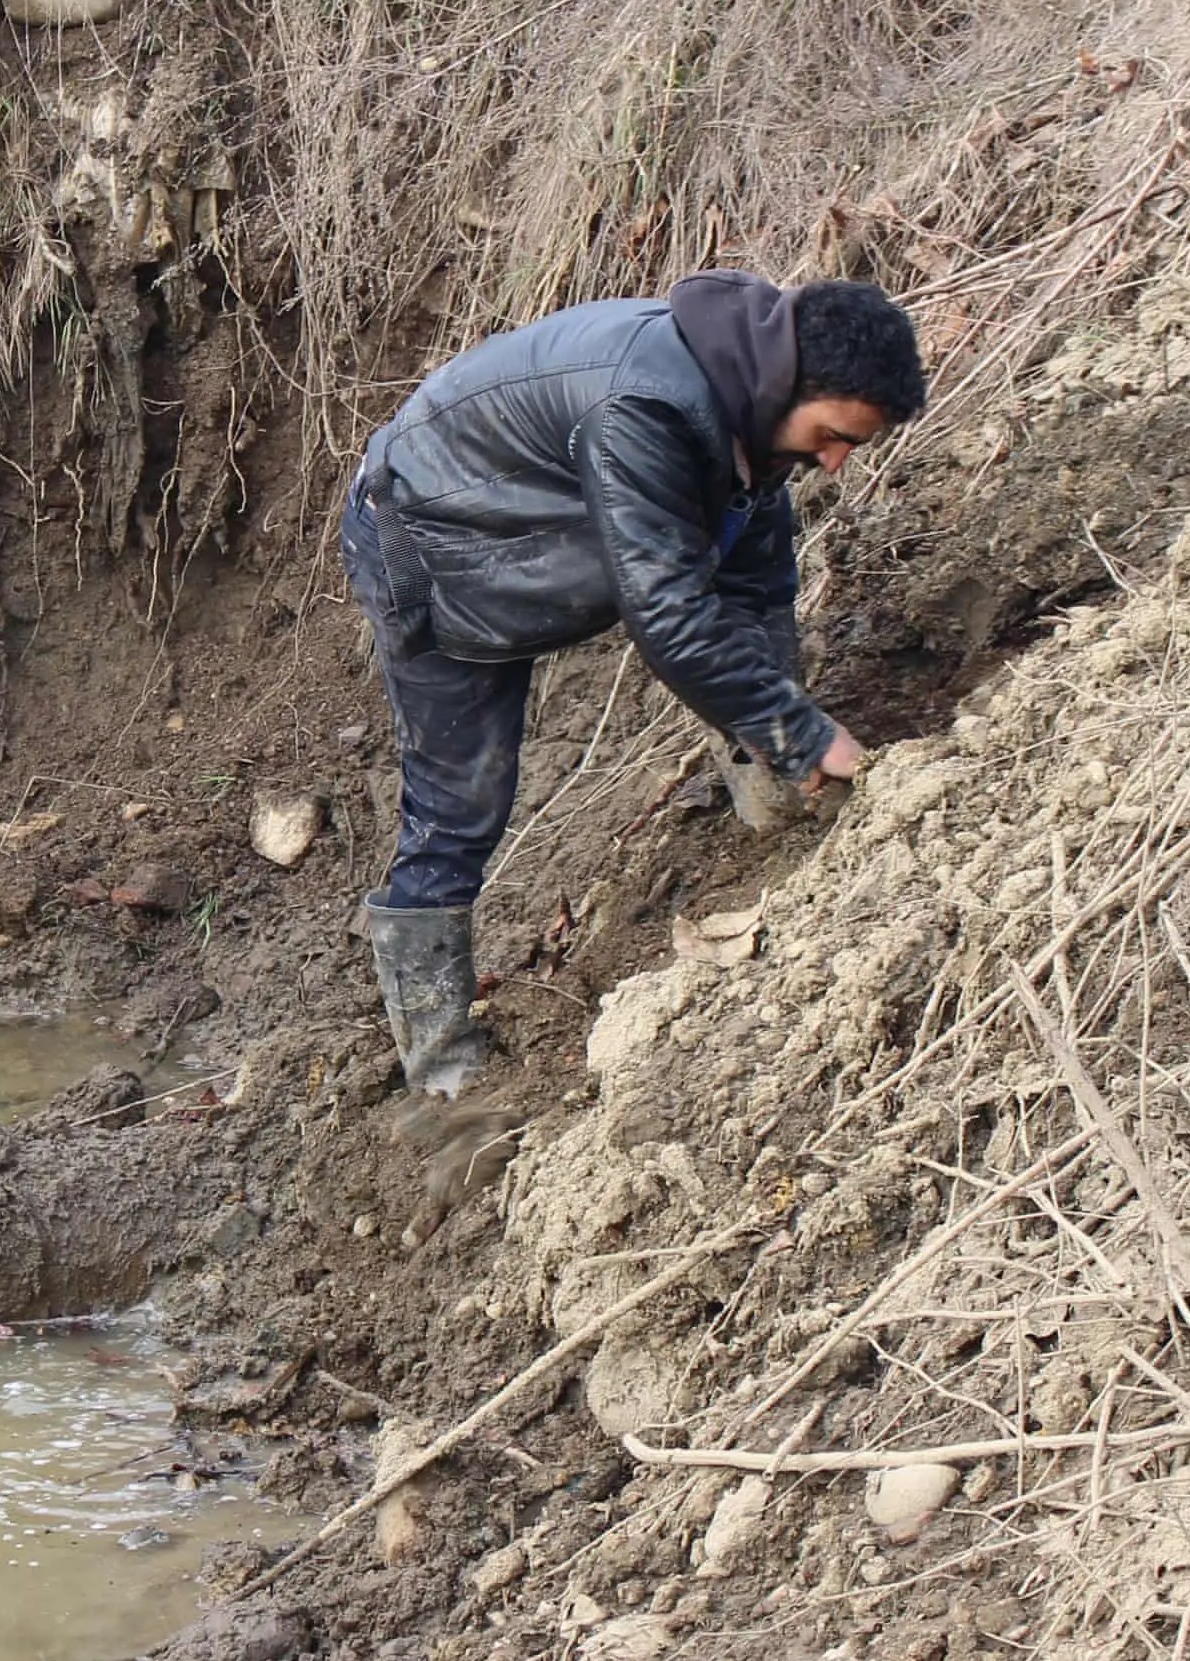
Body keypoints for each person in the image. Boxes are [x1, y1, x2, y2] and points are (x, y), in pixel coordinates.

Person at [341, 269, 924, 1096]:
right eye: (832, 435)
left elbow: (754, 594)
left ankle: (771, 808)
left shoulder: (750, 412)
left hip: (531, 518)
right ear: (790, 384)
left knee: (744, 614)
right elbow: (672, 621)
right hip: (433, 542)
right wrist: (808, 735)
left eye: (849, 447)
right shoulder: (648, 407)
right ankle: (440, 1071)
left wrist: (781, 764)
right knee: (460, 802)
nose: (831, 463)